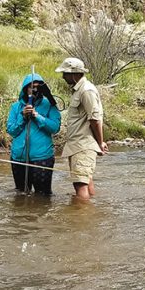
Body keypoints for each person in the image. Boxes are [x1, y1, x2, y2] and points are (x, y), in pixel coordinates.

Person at [55, 57, 108, 201]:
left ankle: (82, 219)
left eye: (65, 73)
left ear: (74, 73)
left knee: (80, 185)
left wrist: (100, 142)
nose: (63, 76)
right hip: (77, 145)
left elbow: (95, 119)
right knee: (85, 181)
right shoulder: (79, 90)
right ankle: (88, 214)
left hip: (83, 146)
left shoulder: (86, 90)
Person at [6, 72, 61, 196]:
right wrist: (23, 117)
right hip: (19, 157)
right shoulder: (16, 107)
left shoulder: (50, 105)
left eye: (37, 87)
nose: (34, 90)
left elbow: (55, 128)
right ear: (25, 89)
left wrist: (37, 116)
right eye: (31, 87)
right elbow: (11, 130)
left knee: (43, 196)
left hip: (42, 158)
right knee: (21, 194)